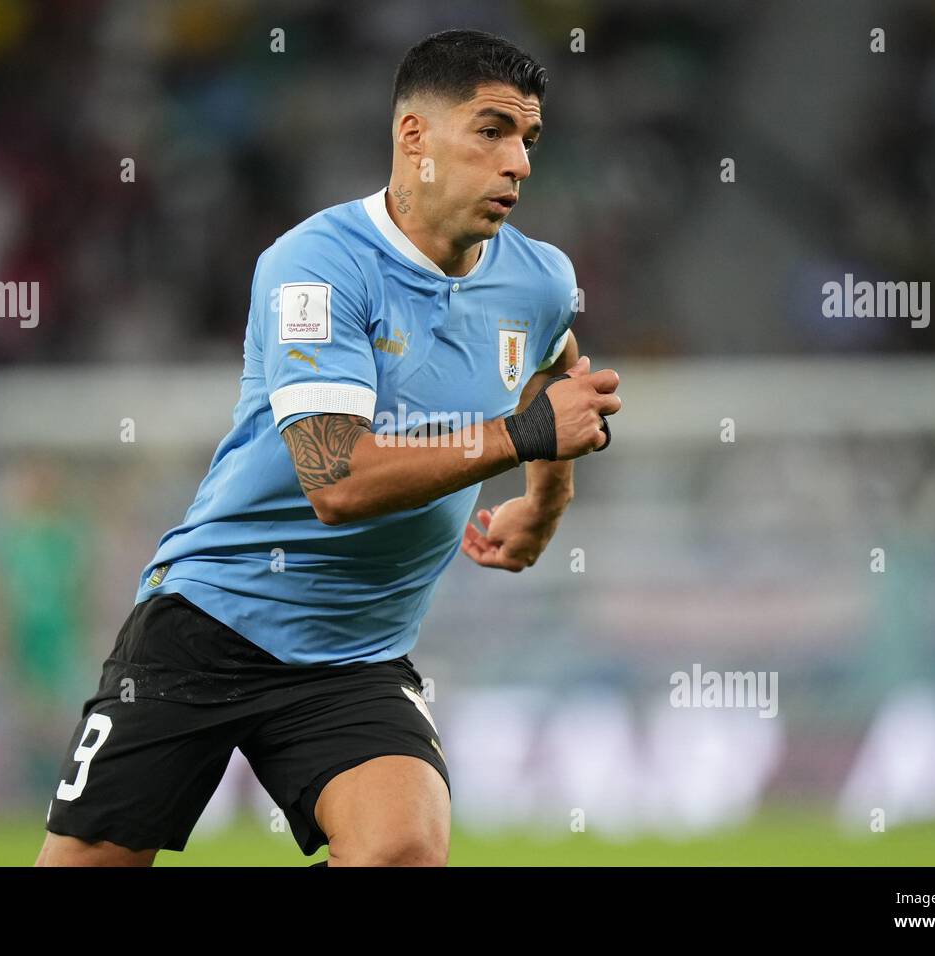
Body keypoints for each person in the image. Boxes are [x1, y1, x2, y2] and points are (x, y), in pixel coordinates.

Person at [36, 28, 621, 867]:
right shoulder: (316, 267)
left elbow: (557, 382)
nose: (519, 162)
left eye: (529, 139)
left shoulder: (540, 280)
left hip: (355, 652)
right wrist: (526, 437)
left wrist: (543, 506)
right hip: (213, 620)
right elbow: (336, 480)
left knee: (403, 849)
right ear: (414, 137)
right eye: (491, 130)